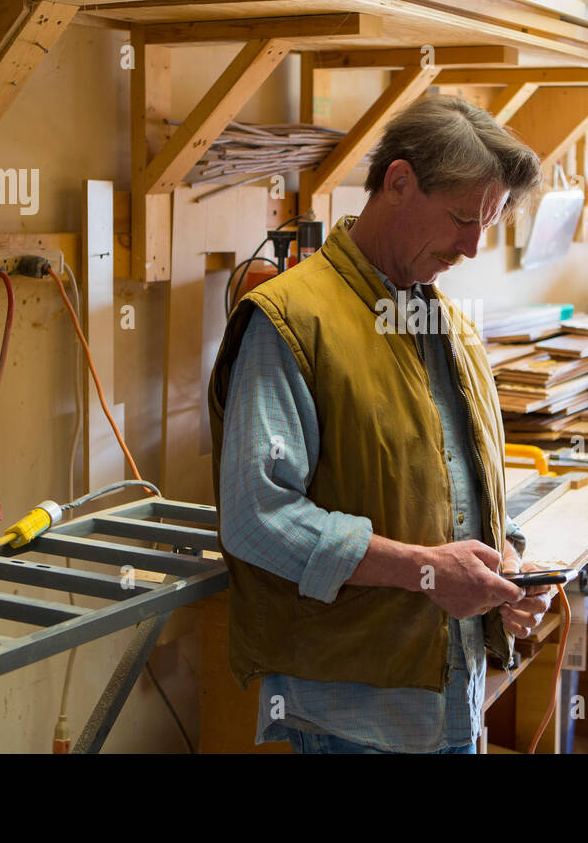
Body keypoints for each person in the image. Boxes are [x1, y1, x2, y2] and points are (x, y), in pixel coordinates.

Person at [208, 94, 556, 754]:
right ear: (398, 182)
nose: (473, 247)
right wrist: (425, 570)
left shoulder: (445, 324)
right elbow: (258, 519)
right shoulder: (290, 320)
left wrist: (506, 567)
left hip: (452, 693)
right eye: (461, 218)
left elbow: (455, 486)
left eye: (487, 224)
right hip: (353, 712)